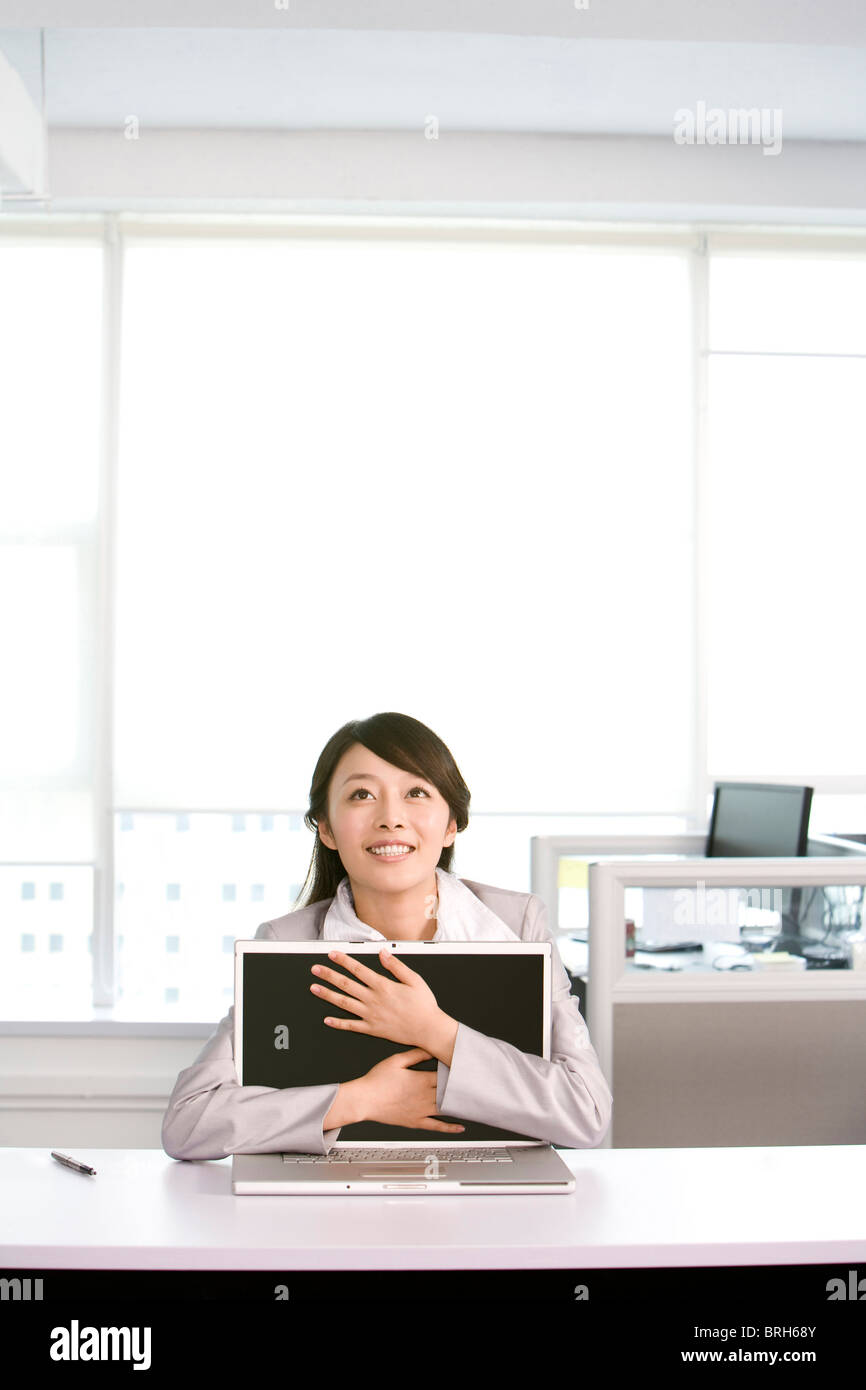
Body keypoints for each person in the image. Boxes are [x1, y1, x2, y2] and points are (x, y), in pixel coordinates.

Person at [162, 712, 612, 1160]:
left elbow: (587, 1113)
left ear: (452, 824)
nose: (391, 818)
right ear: (327, 828)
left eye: (416, 792)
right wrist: (359, 1100)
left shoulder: (517, 924)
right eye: (361, 795)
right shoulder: (284, 941)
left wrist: (437, 1031)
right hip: (332, 1199)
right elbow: (189, 1124)